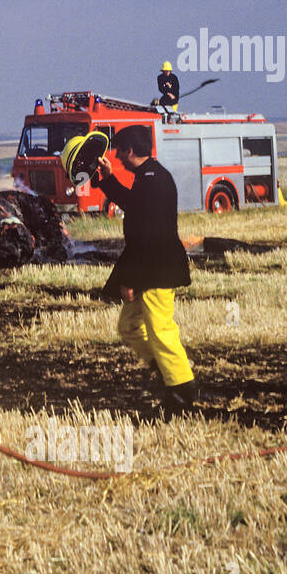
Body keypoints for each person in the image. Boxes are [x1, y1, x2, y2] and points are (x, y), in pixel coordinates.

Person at [91, 125, 199, 417]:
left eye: (118, 151)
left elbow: (146, 238)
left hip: (156, 270)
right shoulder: (149, 176)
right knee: (128, 328)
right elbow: (132, 206)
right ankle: (166, 370)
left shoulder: (153, 180)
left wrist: (131, 281)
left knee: (162, 331)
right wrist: (108, 179)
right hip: (151, 267)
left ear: (129, 150)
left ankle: (181, 390)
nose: (117, 156)